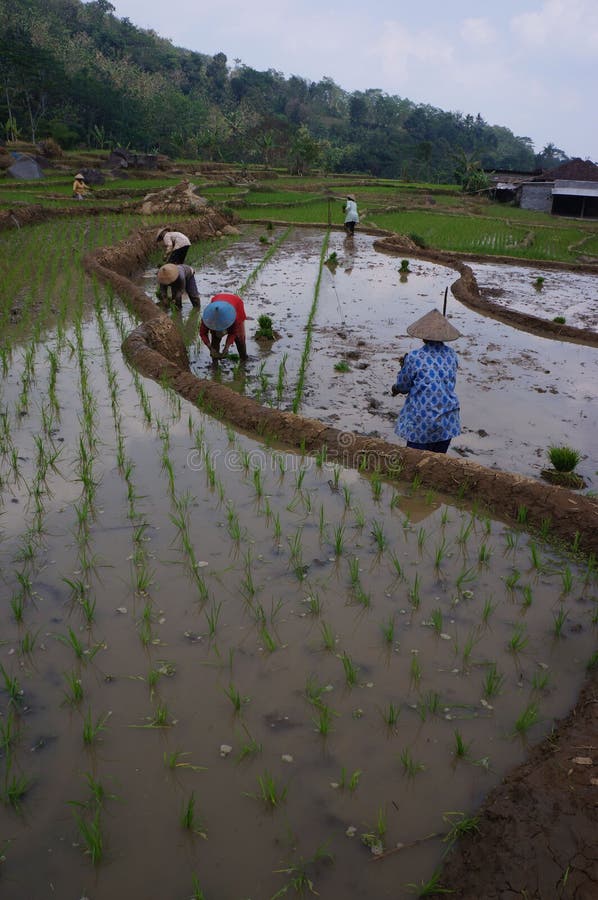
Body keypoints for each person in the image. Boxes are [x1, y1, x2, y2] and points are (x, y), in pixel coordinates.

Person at [391, 308, 462, 454]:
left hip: (421, 422)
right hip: (447, 419)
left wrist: (396, 387)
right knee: (436, 461)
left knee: (414, 461)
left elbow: (403, 386)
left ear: (423, 337)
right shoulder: (452, 355)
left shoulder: (414, 357)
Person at [200, 293, 248, 362]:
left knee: (239, 337)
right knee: (215, 340)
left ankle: (243, 358)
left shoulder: (234, 318)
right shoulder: (207, 318)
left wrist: (227, 347)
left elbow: (233, 333)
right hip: (217, 300)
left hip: (236, 303)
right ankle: (214, 360)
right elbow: (203, 333)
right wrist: (210, 347)